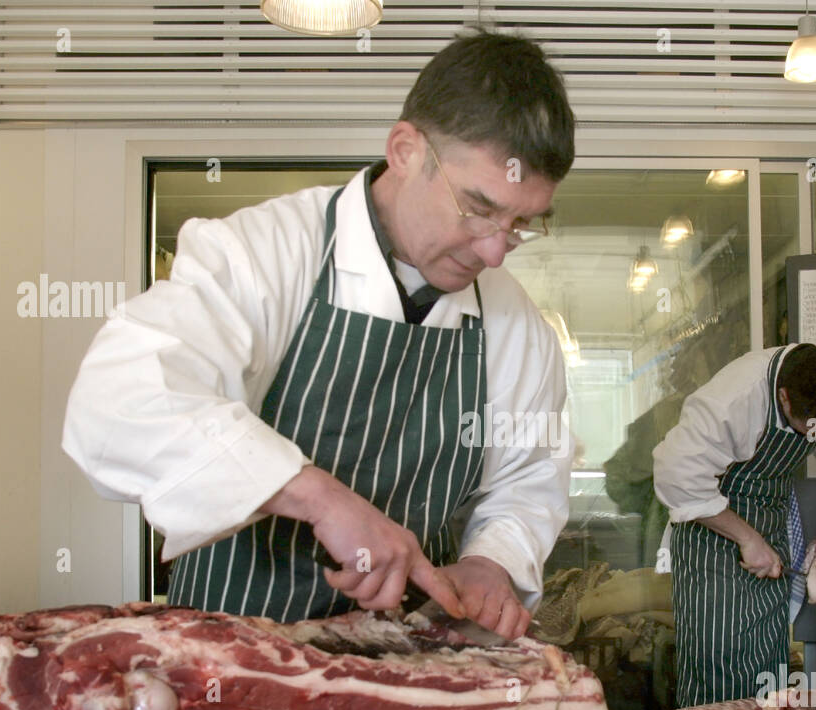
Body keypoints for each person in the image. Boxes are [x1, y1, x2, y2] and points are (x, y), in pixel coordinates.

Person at [62, 29, 576, 641]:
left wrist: (490, 560)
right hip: (236, 653)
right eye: (478, 208)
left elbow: (527, 478)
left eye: (521, 224)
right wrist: (320, 499)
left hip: (412, 664)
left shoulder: (516, 325)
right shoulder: (263, 253)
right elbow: (116, 403)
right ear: (405, 149)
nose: (495, 252)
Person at [652, 343, 816, 707]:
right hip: (711, 528)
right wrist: (747, 538)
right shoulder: (733, 400)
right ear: (784, 399)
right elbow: (677, 477)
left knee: (769, 649)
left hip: (771, 518)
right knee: (717, 651)